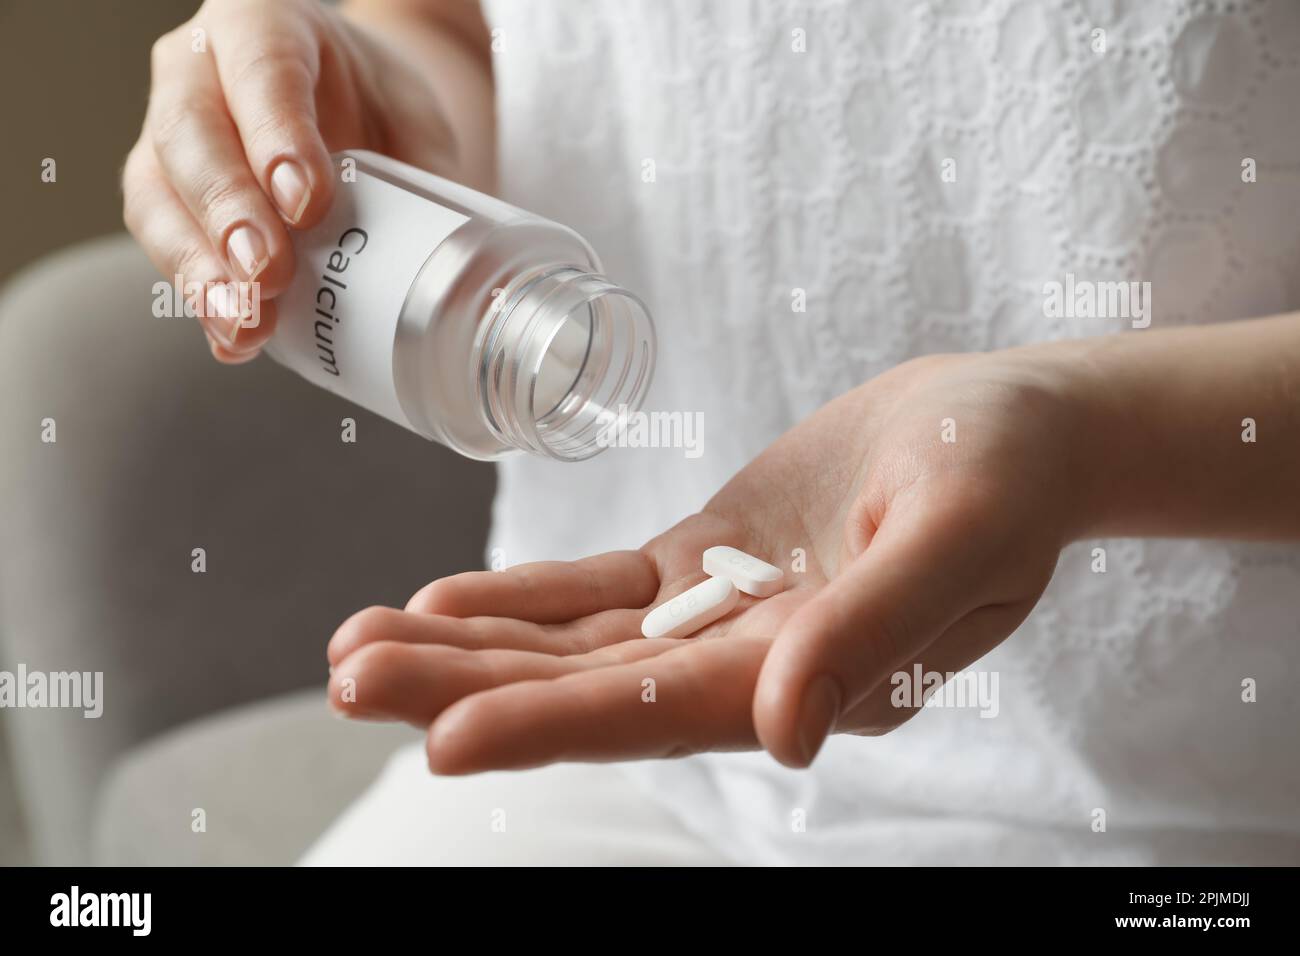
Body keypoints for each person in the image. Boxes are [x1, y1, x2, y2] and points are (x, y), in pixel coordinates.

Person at [123, 0, 1300, 865]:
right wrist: (385, 92)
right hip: (651, 765)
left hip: (1192, 809)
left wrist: (1092, 434)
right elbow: (486, 35)